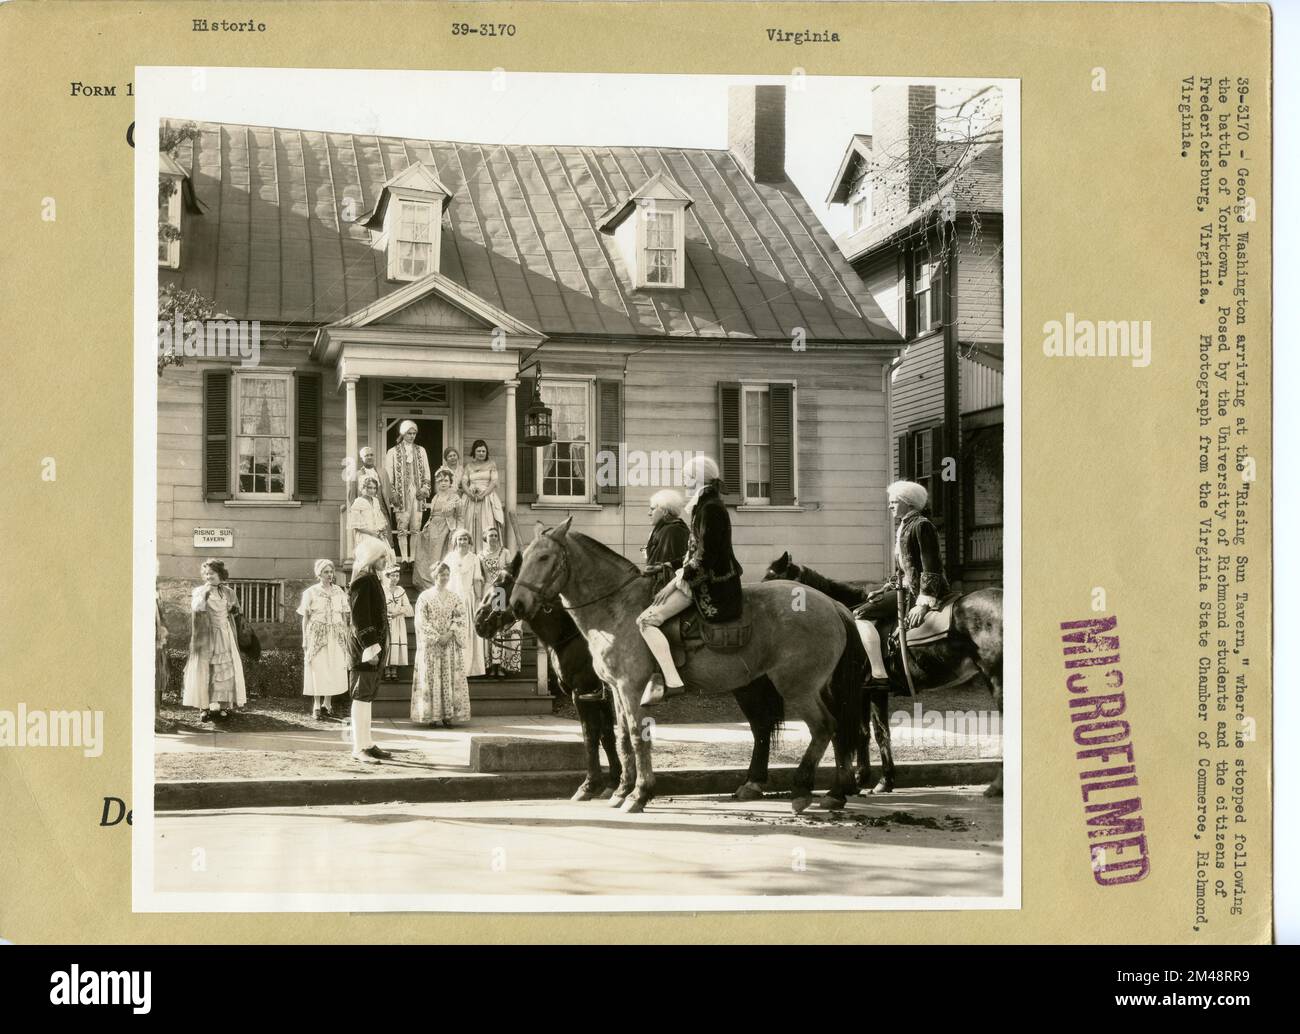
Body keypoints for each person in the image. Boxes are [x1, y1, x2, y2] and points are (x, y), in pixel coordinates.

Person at [636, 455, 743, 707]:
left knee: (645, 621)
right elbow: (691, 554)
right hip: (697, 577)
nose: (683, 481)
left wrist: (673, 583)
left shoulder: (711, 508)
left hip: (711, 584)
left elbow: (705, 558)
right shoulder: (705, 505)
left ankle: (673, 682)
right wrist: (669, 568)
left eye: (685, 476)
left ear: (695, 478)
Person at [853, 480, 949, 690]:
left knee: (860, 614)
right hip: (902, 588)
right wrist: (884, 588)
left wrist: (923, 603)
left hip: (918, 593)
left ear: (908, 502)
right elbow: (905, 569)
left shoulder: (922, 525)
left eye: (894, 501)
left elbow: (931, 566)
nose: (890, 506)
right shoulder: (905, 526)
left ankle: (878, 673)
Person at [347, 537, 395, 764]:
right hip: (364, 650)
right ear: (372, 558)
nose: (385, 560)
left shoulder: (372, 579)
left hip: (374, 648)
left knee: (368, 697)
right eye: (382, 556)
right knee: (361, 696)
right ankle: (358, 747)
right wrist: (371, 648)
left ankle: (367, 742)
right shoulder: (363, 581)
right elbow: (360, 618)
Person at [181, 559, 247, 722]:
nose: (209, 576)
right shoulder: (199, 591)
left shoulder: (229, 592)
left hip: (225, 634)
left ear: (220, 574)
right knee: (205, 668)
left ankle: (223, 706)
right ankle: (204, 707)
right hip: (206, 636)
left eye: (212, 573)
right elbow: (196, 608)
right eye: (207, 573)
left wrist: (233, 609)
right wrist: (204, 596)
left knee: (224, 670)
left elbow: (237, 611)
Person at [410, 560, 471, 726]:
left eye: (446, 575)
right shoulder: (425, 597)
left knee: (449, 678)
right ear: (434, 576)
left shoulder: (454, 597)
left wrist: (450, 633)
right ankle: (432, 716)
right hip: (432, 645)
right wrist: (437, 637)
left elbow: (460, 617)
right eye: (441, 574)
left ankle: (448, 715)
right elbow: (421, 621)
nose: (444, 577)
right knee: (432, 678)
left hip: (449, 644)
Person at [297, 559, 350, 720]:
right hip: (317, 635)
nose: (329, 575)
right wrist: (305, 639)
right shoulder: (310, 592)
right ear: (319, 574)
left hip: (336, 633)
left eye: (331, 572)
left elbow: (344, 616)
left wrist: (346, 634)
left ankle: (328, 704)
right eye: (326, 572)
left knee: (333, 667)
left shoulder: (339, 592)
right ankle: (316, 705)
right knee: (318, 668)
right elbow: (305, 617)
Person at [383, 421, 432, 563]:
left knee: (416, 526)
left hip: (417, 493)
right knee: (402, 527)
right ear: (403, 434)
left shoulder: (421, 450)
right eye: (409, 433)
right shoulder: (393, 452)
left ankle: (414, 559)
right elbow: (388, 475)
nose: (411, 436)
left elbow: (427, 472)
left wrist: (424, 488)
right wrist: (393, 493)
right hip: (401, 494)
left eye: (414, 433)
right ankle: (404, 559)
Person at [442, 527, 486, 678]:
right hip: (451, 599)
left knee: (467, 632)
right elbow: (443, 579)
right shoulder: (449, 557)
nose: (462, 542)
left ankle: (468, 669)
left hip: (468, 599)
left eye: (465, 539)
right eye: (460, 539)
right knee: (452, 631)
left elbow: (477, 581)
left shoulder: (474, 558)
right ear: (455, 542)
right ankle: (452, 668)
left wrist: (479, 601)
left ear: (469, 541)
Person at [478, 526, 521, 678]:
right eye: (490, 536)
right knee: (487, 625)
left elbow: (510, 573)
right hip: (487, 591)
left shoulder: (505, 553)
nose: (493, 538)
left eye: (496, 535)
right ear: (485, 538)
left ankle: (501, 665)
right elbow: (480, 576)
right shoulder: (481, 555)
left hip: (501, 592)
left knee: (499, 627)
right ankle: (488, 665)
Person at [413, 466, 462, 591]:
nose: (443, 483)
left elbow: (460, 517)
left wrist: (457, 532)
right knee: (424, 549)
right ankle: (428, 582)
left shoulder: (455, 498)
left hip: (446, 529)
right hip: (433, 528)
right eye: (440, 481)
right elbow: (431, 515)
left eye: (445, 480)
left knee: (441, 555)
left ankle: (442, 583)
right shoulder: (435, 497)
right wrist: (426, 528)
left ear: (450, 482)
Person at [460, 440, 503, 549]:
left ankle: (487, 550)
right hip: (471, 498)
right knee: (470, 522)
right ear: (474, 452)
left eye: (483, 451)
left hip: (486, 497)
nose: (481, 453)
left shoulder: (491, 464)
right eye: (478, 451)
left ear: (486, 452)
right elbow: (464, 482)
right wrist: (470, 494)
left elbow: (493, 482)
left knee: (486, 522)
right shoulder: (469, 466)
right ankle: (471, 550)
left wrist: (483, 495)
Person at [643, 488, 690, 573]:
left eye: (652, 509)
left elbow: (672, 568)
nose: (649, 513)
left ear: (664, 511)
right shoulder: (668, 529)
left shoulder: (672, 531)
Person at [382, 564, 413, 682]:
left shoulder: (401, 591)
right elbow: (379, 605)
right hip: (386, 620)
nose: (395, 578)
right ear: (387, 576)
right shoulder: (383, 590)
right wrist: (387, 614)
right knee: (387, 643)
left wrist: (398, 612)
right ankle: (386, 670)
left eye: (397, 576)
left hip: (398, 621)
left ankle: (394, 670)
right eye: (392, 576)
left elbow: (408, 607)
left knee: (396, 642)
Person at [348, 474, 390, 555]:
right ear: (364, 488)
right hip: (365, 535)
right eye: (370, 487)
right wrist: (371, 533)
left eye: (374, 488)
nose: (372, 490)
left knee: (384, 555)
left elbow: (379, 519)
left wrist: (381, 530)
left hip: (376, 534)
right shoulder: (358, 502)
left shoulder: (376, 501)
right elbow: (356, 526)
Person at [347, 445, 390, 515]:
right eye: (366, 455)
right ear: (361, 458)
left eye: (371, 455)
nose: (369, 457)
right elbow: (352, 498)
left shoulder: (383, 473)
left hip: (381, 512)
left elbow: (388, 493)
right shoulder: (356, 475)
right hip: (364, 514)